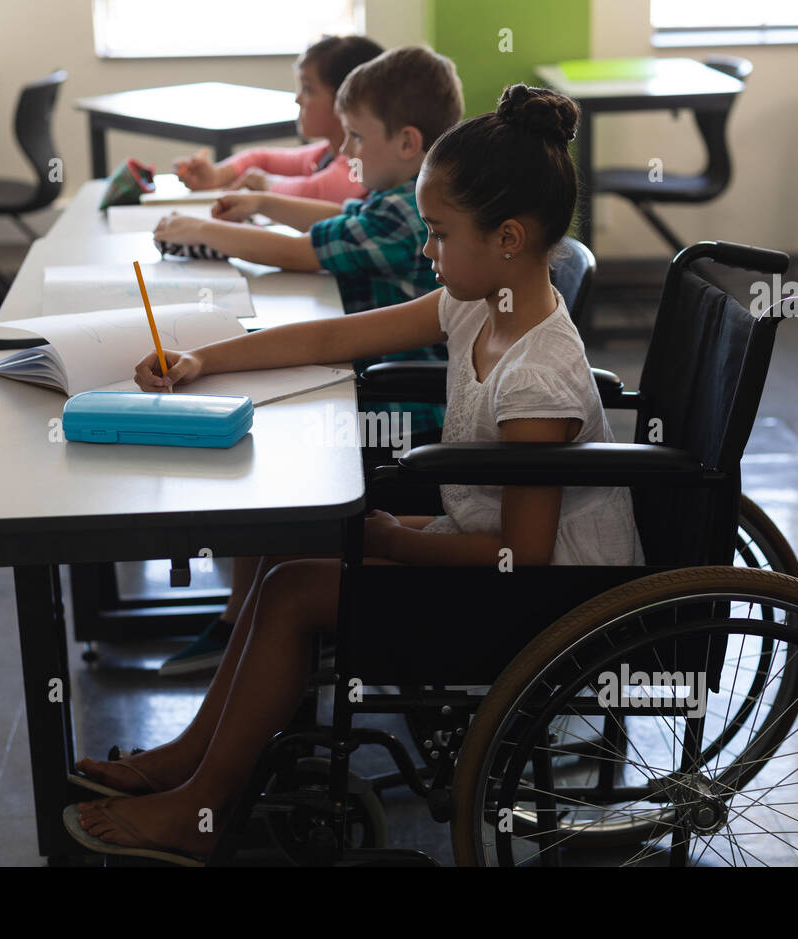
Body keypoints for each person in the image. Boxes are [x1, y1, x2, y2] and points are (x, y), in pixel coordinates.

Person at [66, 84, 645, 862]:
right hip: (491, 551)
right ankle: (192, 761)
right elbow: (336, 336)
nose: (426, 252)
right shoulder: (478, 304)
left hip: (549, 601)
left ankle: (198, 808)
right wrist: (207, 358)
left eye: (439, 234)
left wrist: (396, 543)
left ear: (507, 237)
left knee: (297, 586)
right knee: (286, 551)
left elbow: (521, 557)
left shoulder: (538, 377)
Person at [153, 45, 464, 677]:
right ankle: (245, 617)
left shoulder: (409, 212)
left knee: (267, 438)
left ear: (407, 142)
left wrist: (207, 229)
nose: (345, 153)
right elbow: (337, 219)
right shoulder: (404, 200)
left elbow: (308, 253)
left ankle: (252, 622)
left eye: (355, 137)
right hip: (392, 391)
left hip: (410, 416)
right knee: (270, 401)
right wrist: (259, 203)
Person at [173, 34, 383, 203]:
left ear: (345, 99)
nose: (298, 99)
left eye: (308, 89)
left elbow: (317, 191)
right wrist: (217, 176)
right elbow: (260, 159)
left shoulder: (361, 165)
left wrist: (263, 182)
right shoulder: (324, 154)